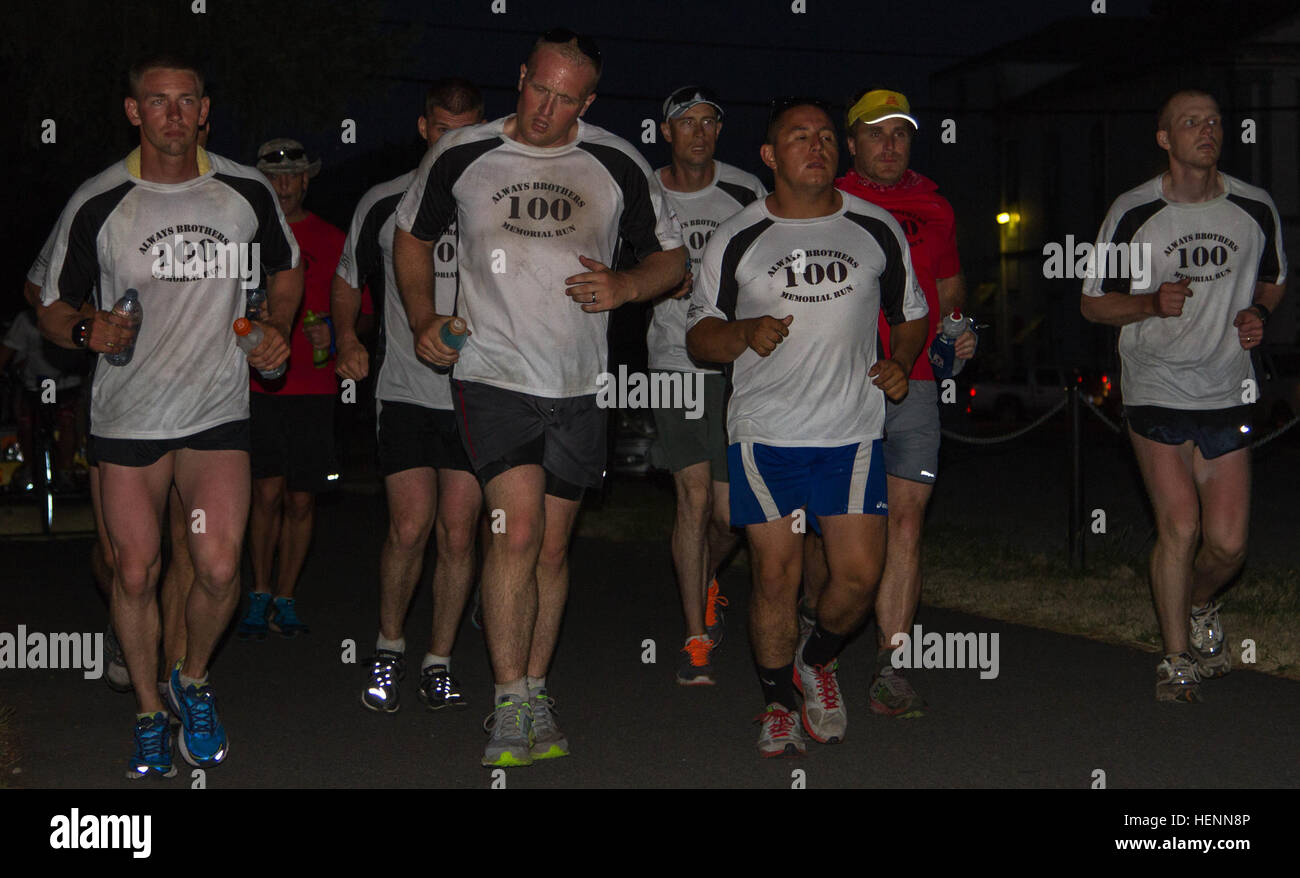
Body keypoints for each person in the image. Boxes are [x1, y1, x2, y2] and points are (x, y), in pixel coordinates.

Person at [393, 29, 685, 767]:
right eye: (538, 89)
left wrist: (626, 285)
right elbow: (410, 237)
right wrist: (425, 318)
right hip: (492, 375)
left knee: (553, 547)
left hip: (579, 384)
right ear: (520, 77)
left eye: (566, 98)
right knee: (514, 534)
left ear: (586, 101)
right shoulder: (461, 154)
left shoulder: (615, 162)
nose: (547, 109)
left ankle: (534, 687)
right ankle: (505, 704)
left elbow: (672, 261)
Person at [37, 54, 301, 778]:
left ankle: (193, 680)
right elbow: (49, 301)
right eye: (158, 102)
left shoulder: (244, 189)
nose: (174, 115)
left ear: (205, 110)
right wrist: (87, 330)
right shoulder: (100, 199)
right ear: (134, 112)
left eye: (187, 101)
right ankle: (150, 712)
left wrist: (276, 322)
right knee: (135, 573)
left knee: (219, 571)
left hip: (216, 410)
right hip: (128, 417)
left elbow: (287, 265)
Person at [686, 98, 927, 757]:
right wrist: (740, 333)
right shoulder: (737, 236)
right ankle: (776, 703)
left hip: (850, 432)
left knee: (857, 580)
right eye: (799, 137)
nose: (816, 146)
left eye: (825, 135)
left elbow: (911, 316)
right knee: (774, 575)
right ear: (770, 156)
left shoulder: (876, 228)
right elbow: (701, 339)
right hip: (765, 432)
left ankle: (814, 661)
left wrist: (902, 360)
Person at [1081, 89, 1285, 703]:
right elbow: (1093, 302)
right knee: (1181, 526)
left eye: (1215, 121)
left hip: (1225, 387)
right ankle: (1175, 660)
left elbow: (1273, 280)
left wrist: (1257, 313)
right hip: (1156, 387)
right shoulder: (1133, 212)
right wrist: (1148, 303)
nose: (1208, 130)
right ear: (1164, 138)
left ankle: (1197, 605)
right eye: (1191, 122)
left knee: (1228, 545)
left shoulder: (1254, 206)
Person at [801, 88, 976, 717]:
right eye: (876, 133)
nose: (890, 144)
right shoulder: (830, 201)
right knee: (829, 528)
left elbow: (951, 281)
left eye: (900, 133)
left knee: (906, 521)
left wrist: (960, 326)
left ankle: (891, 665)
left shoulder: (934, 204)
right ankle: (813, 638)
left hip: (915, 383)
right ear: (852, 143)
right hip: (838, 385)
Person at [334, 78, 484, 713]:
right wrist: (346, 336)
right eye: (442, 131)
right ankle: (389, 648)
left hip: (480, 395)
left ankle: (439, 660)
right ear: (425, 130)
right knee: (409, 526)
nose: (452, 143)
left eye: (466, 132)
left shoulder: (495, 204)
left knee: (458, 533)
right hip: (404, 391)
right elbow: (347, 280)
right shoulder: (383, 202)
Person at [649, 85, 765, 685]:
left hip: (735, 364)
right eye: (685, 122)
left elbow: (776, 262)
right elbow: (618, 267)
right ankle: (695, 638)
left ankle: (708, 579)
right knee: (692, 500)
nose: (698, 131)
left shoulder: (747, 191)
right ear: (665, 132)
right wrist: (652, 284)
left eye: (708, 122)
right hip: (673, 363)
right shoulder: (642, 190)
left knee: (730, 515)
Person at [238, 138, 346, 640]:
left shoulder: (333, 238)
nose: (284, 184)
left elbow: (362, 315)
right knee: (264, 493)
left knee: (302, 499)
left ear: (307, 179)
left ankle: (286, 595)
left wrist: (342, 335)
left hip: (315, 386)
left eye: (294, 175)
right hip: (257, 385)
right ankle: (258, 593)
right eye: (274, 176)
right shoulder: (243, 238)